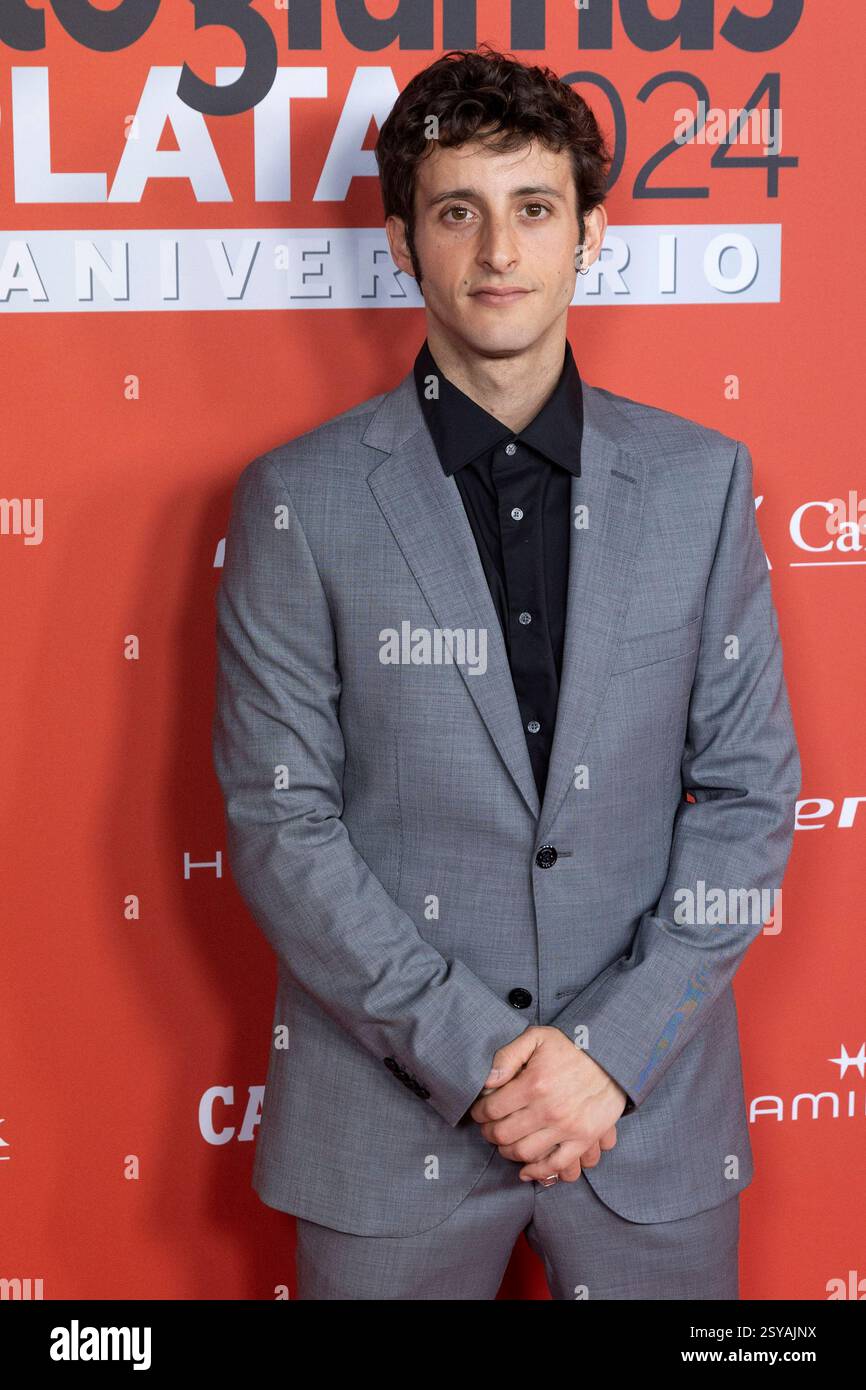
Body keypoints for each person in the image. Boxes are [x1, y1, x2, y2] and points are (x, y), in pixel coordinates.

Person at [211, 45, 800, 1300]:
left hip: (645, 1121)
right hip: (384, 1126)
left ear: (589, 231)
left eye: (532, 209)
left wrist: (608, 1056)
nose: (496, 251)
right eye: (456, 211)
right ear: (401, 242)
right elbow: (279, 821)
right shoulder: (297, 501)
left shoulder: (700, 484)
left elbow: (748, 799)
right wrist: (483, 1058)